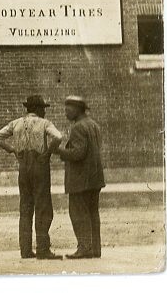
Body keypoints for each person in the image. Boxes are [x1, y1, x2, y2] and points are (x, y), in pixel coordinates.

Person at [0, 94, 63, 259]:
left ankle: (25, 250)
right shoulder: (44, 123)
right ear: (38, 109)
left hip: (23, 167)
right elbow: (58, 137)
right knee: (43, 207)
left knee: (25, 208)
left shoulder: (16, 123)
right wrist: (47, 153)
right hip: (39, 166)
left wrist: (12, 150)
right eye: (43, 109)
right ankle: (43, 249)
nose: (44, 112)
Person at [54, 95, 105, 259]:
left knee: (78, 213)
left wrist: (58, 151)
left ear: (77, 110)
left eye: (68, 109)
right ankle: (94, 249)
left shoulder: (78, 128)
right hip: (95, 178)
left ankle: (84, 249)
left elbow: (78, 153)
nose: (65, 113)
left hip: (80, 179)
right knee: (92, 214)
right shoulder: (93, 125)